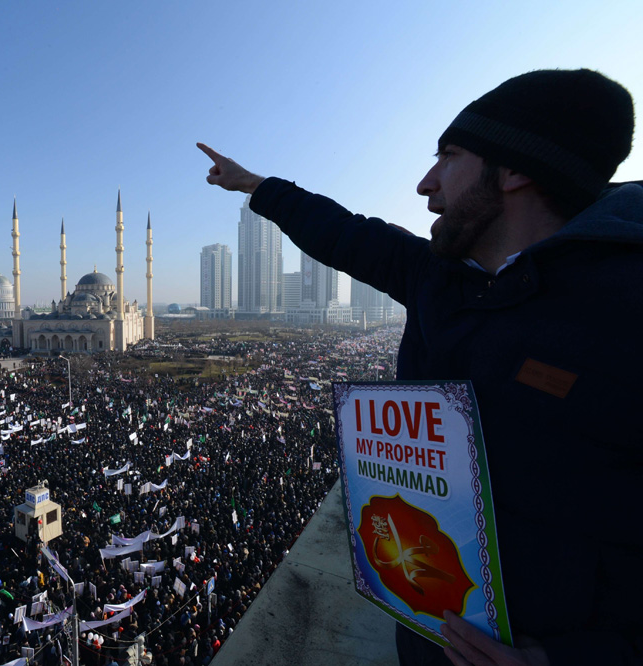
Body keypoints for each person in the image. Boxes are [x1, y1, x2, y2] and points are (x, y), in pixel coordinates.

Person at [198, 69, 643, 666]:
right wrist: (254, 185)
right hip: (427, 633)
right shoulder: (440, 278)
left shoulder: (623, 308)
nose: (424, 184)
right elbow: (345, 233)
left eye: (449, 157)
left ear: (515, 171)